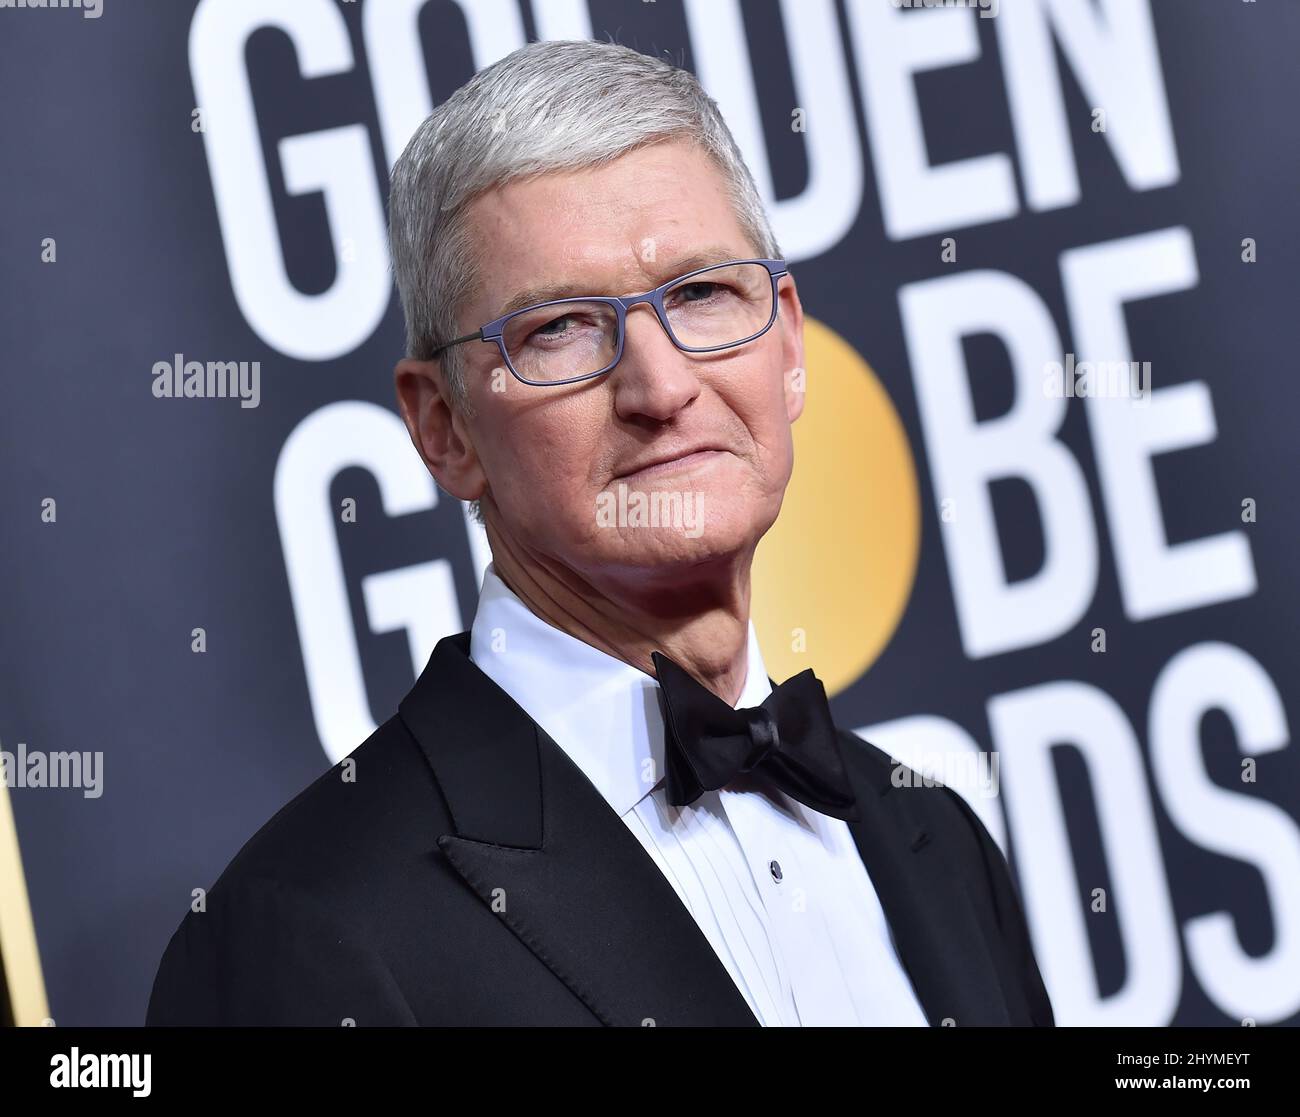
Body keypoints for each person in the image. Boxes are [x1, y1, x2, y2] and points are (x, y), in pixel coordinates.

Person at [147, 38, 1053, 1027]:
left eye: (703, 295)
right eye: (561, 329)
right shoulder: (305, 932)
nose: (661, 387)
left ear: (787, 344)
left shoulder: (936, 836)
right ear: (443, 427)